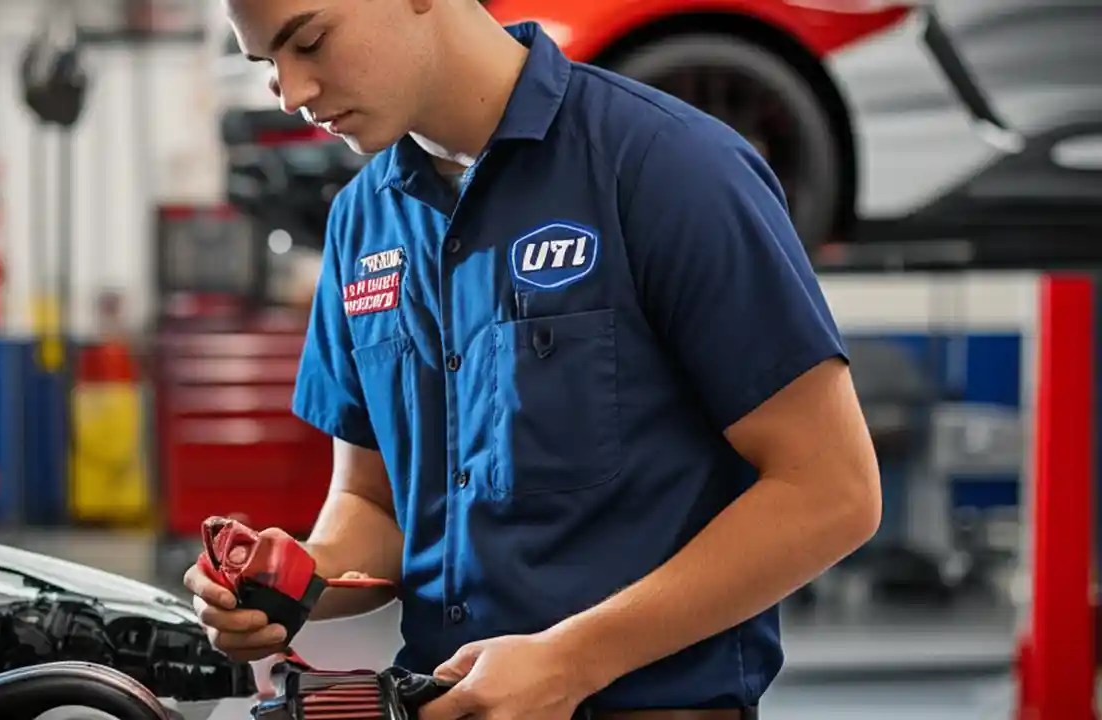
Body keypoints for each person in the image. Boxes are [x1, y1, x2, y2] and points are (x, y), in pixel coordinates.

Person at [185, 0, 883, 718]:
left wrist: (575, 660)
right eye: (268, 65)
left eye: (311, 41)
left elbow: (832, 491)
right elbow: (373, 505)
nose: (295, 93)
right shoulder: (362, 220)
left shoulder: (667, 168)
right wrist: (296, 581)